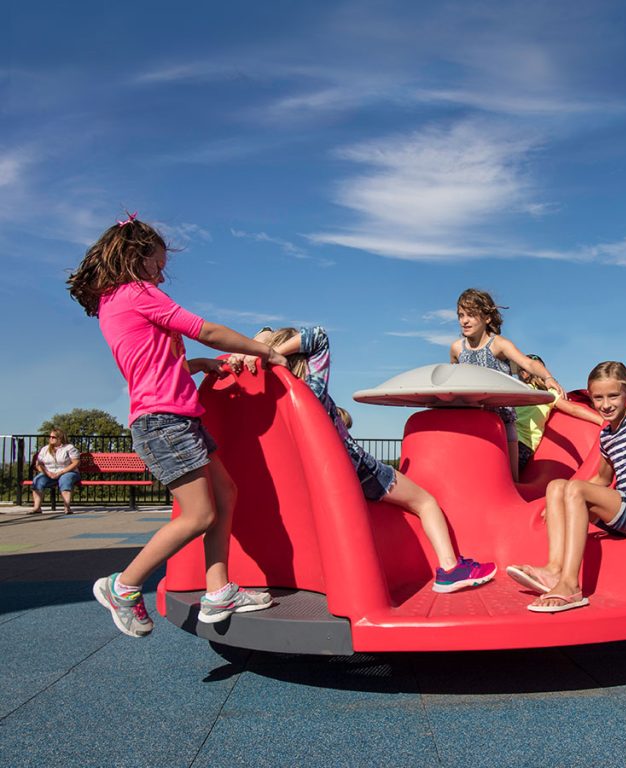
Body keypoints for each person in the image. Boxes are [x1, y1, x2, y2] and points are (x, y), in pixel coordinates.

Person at [67, 213, 288, 638]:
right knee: (200, 513)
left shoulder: (114, 303)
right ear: (138, 256)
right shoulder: (137, 292)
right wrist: (265, 351)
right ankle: (124, 585)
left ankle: (219, 590)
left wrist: (197, 365)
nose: (162, 275)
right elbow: (205, 329)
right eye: (159, 264)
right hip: (165, 421)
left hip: (174, 417)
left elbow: (151, 363)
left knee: (226, 492)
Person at [230, 326, 496, 593]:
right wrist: (271, 352)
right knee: (426, 502)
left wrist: (252, 351)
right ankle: (451, 568)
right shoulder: (311, 392)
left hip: (315, 480)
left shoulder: (272, 402)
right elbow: (319, 336)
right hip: (358, 471)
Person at [506, 361, 626, 613]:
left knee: (574, 489)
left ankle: (571, 585)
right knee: (556, 486)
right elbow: (603, 480)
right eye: (598, 398)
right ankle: (553, 570)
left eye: (613, 396)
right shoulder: (607, 435)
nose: (605, 404)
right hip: (623, 505)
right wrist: (557, 501)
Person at [450, 288, 565, 481]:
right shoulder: (456, 349)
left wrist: (548, 377)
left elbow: (527, 363)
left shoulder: (499, 344)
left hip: (503, 422)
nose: (464, 320)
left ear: (487, 318)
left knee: (510, 478)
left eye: (471, 315)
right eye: (461, 315)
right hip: (473, 420)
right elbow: (452, 381)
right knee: (475, 475)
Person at [512, 354, 604, 474]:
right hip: (522, 444)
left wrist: (602, 421)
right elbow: (572, 409)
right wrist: (602, 421)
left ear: (524, 374)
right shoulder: (546, 393)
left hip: (511, 440)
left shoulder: (542, 393)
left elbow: (573, 409)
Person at [30, 428, 81, 514]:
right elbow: (39, 464)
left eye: (53, 437)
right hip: (49, 473)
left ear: (60, 438)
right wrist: (47, 473)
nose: (50, 438)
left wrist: (61, 472)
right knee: (37, 480)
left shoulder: (69, 448)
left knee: (65, 480)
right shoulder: (45, 449)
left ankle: (67, 507)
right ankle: (37, 507)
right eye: (50, 437)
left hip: (67, 472)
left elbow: (76, 462)